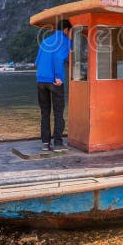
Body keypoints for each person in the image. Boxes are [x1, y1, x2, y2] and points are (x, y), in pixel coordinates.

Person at [35, 19, 72, 150]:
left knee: (45, 113)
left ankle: (45, 143)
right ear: (67, 30)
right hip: (54, 81)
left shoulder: (45, 41)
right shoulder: (66, 41)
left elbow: (37, 61)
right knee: (58, 112)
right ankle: (58, 142)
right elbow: (58, 58)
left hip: (40, 80)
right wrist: (58, 77)